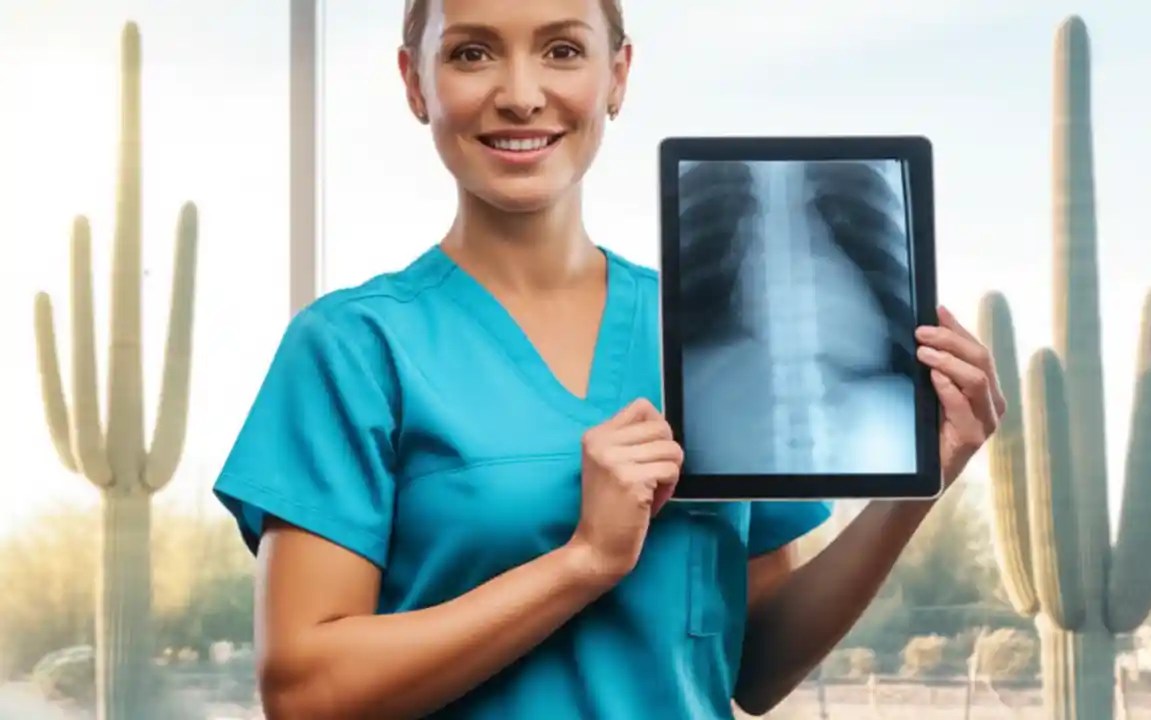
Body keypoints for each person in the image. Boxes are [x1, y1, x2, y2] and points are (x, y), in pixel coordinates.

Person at [211, 1, 1006, 718]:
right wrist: (584, 562)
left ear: (617, 75)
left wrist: (914, 489)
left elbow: (754, 668)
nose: (521, 94)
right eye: (471, 53)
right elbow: (305, 691)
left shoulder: (711, 326)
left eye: (562, 51)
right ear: (414, 84)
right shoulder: (351, 347)